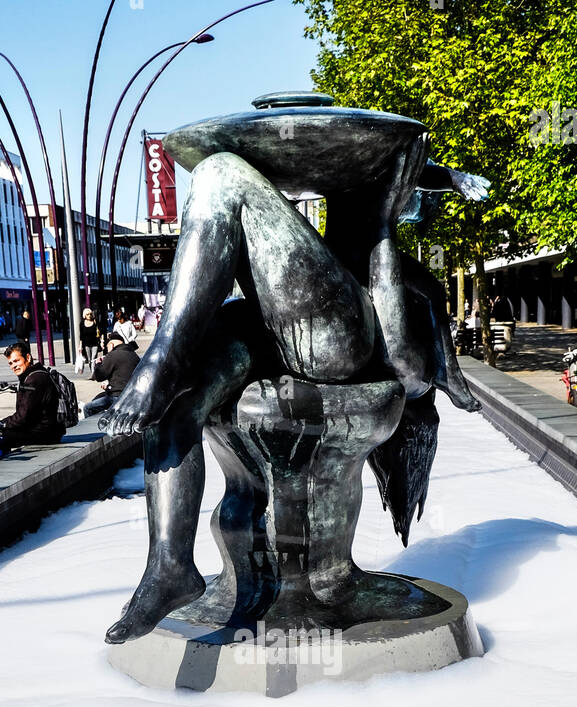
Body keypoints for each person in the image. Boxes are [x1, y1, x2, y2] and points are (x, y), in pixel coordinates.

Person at [103, 135, 487, 642]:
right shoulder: (352, 226)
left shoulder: (396, 260)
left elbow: (409, 371)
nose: (407, 198)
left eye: (409, 198)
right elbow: (395, 170)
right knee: (178, 403)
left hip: (336, 344)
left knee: (221, 172)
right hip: (274, 327)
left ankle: (162, 356)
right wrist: (448, 179)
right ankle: (168, 567)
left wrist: (383, 234)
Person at [0, 341, 65, 450]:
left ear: (28, 358)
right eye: (10, 363)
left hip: (45, 432)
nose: (14, 366)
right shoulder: (32, 375)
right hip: (42, 428)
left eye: (16, 361)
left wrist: (1, 424)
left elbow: (23, 416)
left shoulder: (35, 379)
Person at [80, 333, 140, 418]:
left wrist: (98, 364)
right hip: (133, 395)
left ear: (111, 345)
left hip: (118, 396)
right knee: (98, 397)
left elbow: (99, 376)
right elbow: (123, 376)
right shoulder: (134, 355)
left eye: (107, 347)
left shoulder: (113, 355)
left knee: (88, 408)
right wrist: (108, 385)